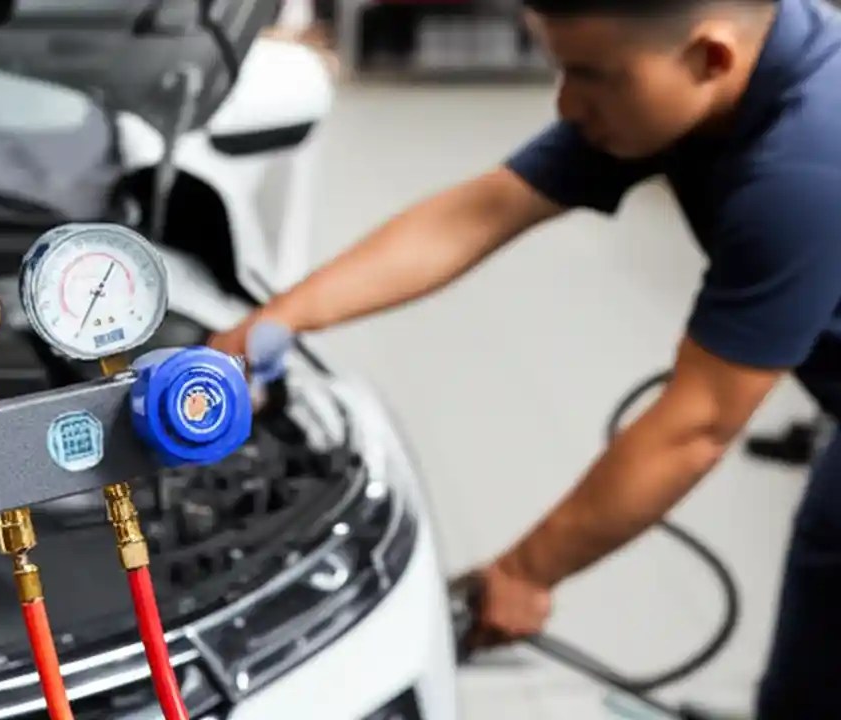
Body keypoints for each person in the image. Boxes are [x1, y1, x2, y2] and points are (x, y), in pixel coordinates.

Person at [208, 0, 841, 716]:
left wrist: (524, 573)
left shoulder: (807, 167)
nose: (567, 104)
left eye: (588, 75)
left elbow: (694, 428)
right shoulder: (686, 79)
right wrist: (278, 319)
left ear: (711, 58)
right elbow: (484, 211)